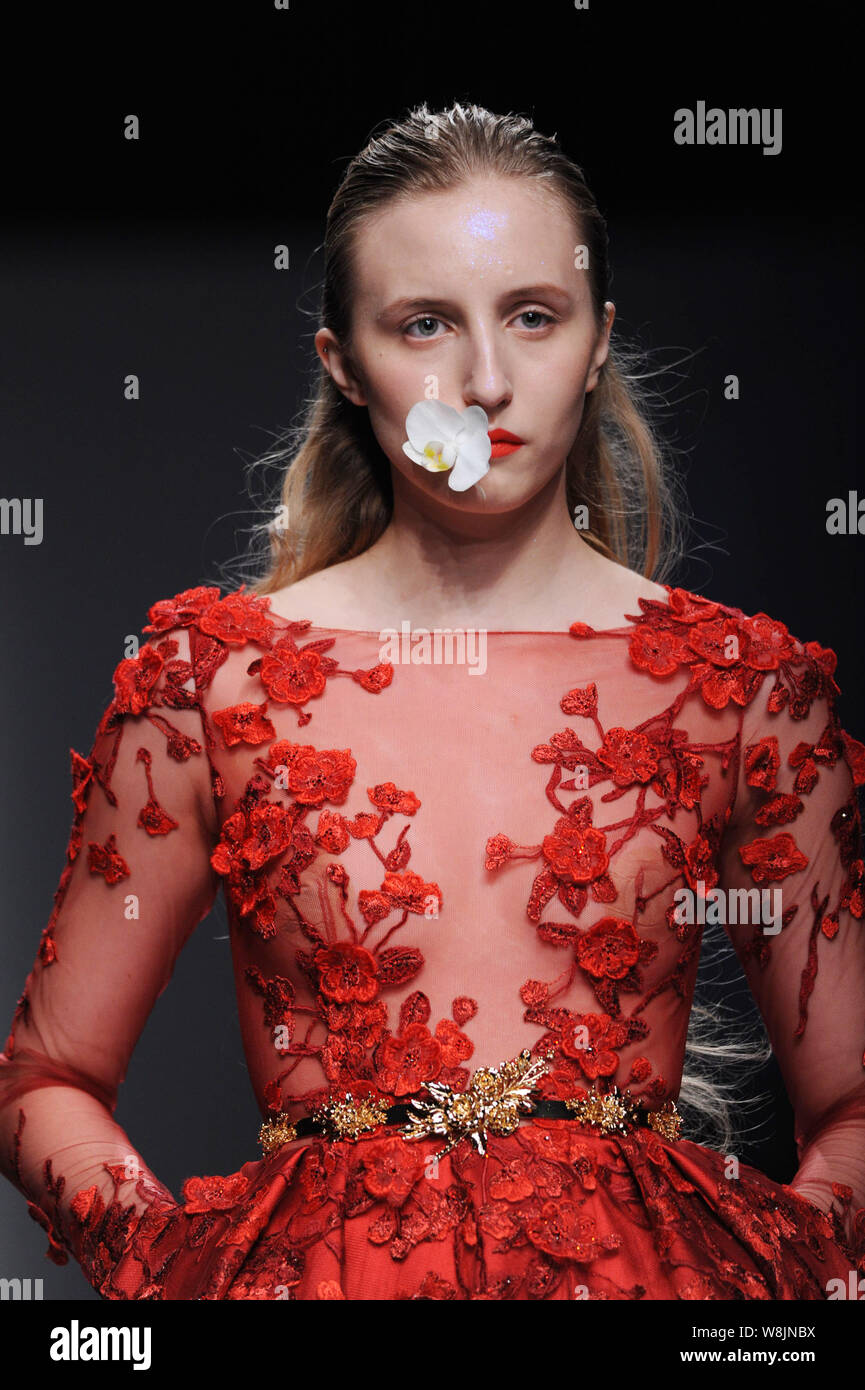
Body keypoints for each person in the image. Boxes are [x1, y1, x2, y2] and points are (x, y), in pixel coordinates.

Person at [1, 102, 863, 1301]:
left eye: (532, 315)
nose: (486, 382)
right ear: (342, 361)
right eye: (423, 324)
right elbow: (46, 1075)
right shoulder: (210, 683)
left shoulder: (742, 690)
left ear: (598, 338)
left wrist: (771, 1278)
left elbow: (854, 1104)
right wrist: (179, 1274)